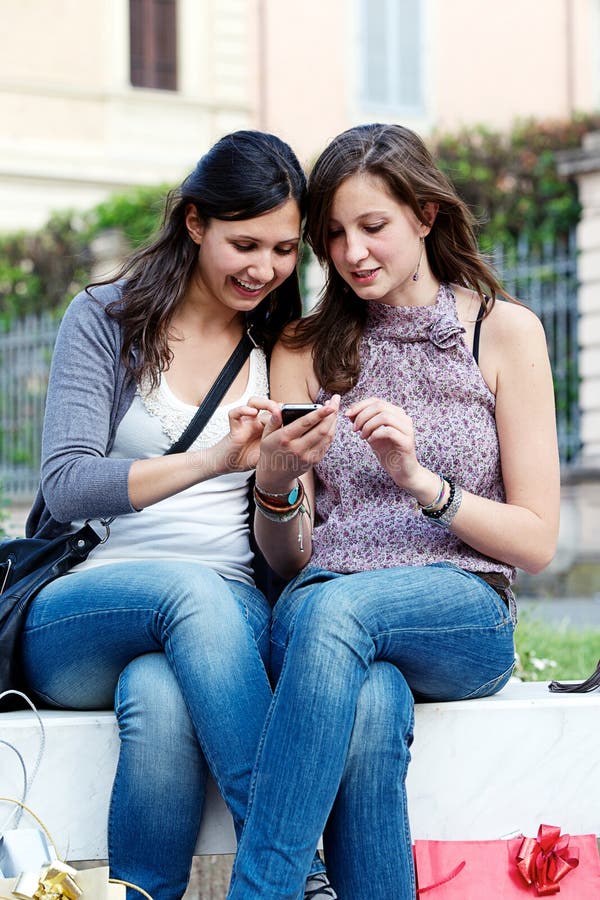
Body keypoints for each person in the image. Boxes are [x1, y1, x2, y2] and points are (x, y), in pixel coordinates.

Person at [226, 123, 561, 899]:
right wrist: (276, 481)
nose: (352, 252)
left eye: (372, 226)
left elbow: (538, 542)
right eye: (334, 235)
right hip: (327, 613)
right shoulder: (305, 348)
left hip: (464, 612)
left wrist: (422, 483)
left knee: (336, 613)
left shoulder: (503, 333)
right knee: (371, 700)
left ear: (424, 216)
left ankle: (262, 889)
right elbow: (289, 557)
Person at [19, 130, 336, 900]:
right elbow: (66, 484)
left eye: (287, 249)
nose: (266, 269)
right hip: (86, 606)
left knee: (160, 694)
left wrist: (279, 482)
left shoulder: (281, 344)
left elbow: (289, 560)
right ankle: (295, 876)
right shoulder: (105, 319)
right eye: (245, 243)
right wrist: (209, 461)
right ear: (195, 222)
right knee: (183, 591)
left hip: (223, 613)